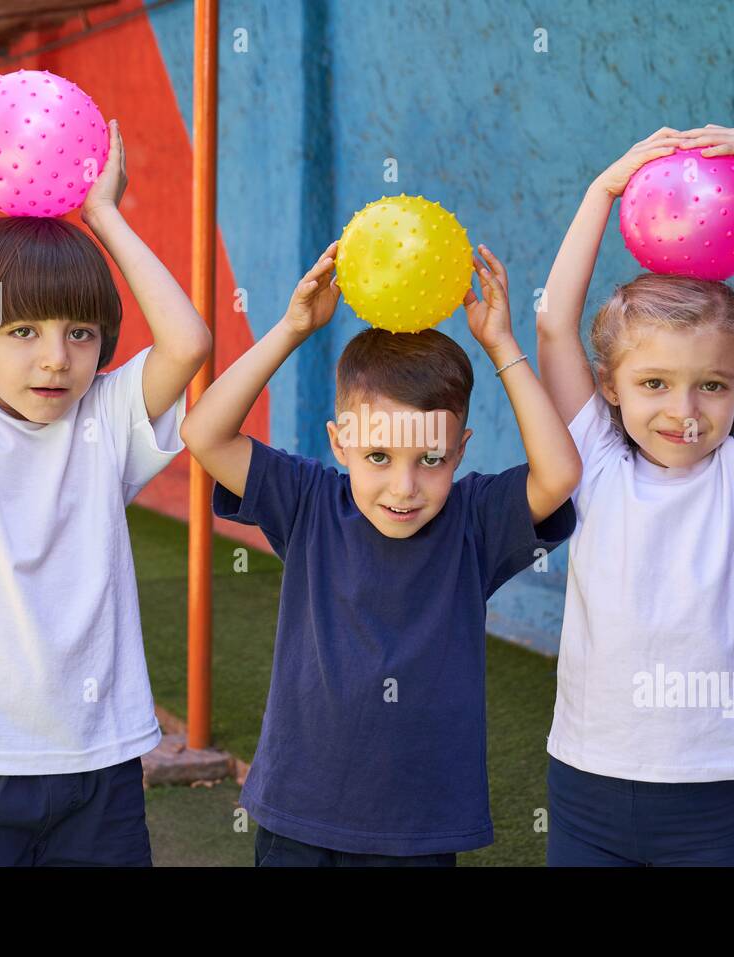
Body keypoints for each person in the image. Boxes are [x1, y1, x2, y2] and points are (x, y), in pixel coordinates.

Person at [0, 90, 211, 865]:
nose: (56, 358)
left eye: (79, 333)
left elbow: (187, 342)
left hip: (101, 768)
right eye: (23, 332)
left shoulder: (105, 419)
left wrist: (107, 216)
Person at [180, 241, 581, 865]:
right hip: (298, 813)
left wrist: (502, 347)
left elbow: (557, 475)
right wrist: (292, 329)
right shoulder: (309, 501)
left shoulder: (474, 522)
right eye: (378, 457)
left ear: (460, 449)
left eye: (430, 459)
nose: (403, 486)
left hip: (418, 831)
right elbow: (203, 433)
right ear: (340, 443)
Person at [536, 125, 734, 866]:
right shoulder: (593, 459)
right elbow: (552, 325)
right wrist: (605, 188)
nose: (683, 410)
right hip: (586, 783)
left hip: (708, 793)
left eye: (713, 385)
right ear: (610, 387)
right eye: (654, 384)